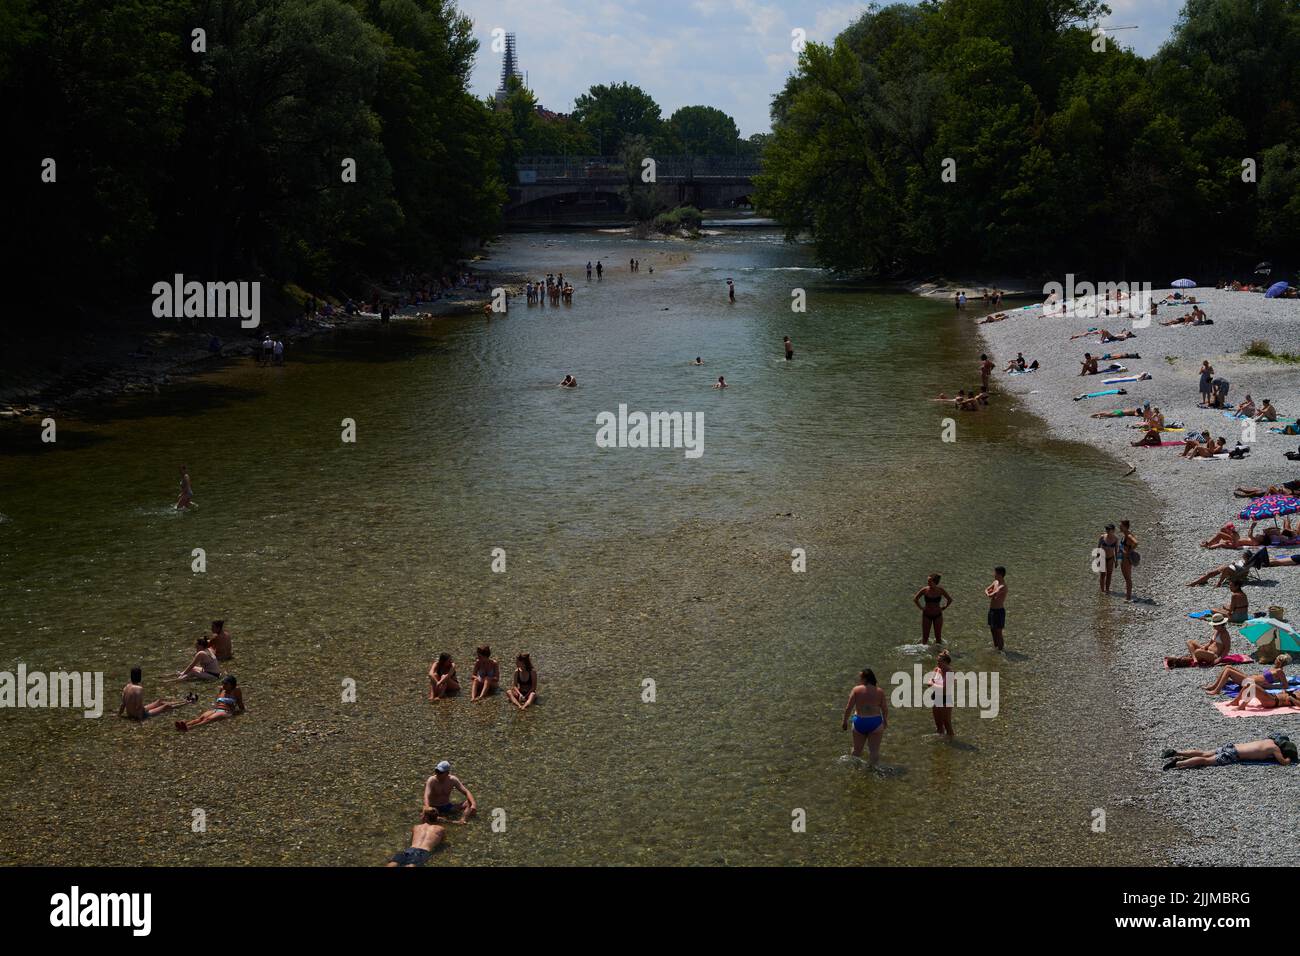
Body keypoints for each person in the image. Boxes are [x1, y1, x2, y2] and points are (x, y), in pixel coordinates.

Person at [841, 669, 887, 766]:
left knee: (856, 750)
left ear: (865, 679)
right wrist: (885, 721)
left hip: (860, 721)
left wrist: (844, 721)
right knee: (874, 752)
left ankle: (854, 771)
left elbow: (848, 707)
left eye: (860, 677)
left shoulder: (856, 690)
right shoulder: (880, 691)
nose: (859, 679)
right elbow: (885, 709)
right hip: (875, 722)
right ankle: (872, 771)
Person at [1162, 737, 1296, 770]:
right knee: (1206, 761)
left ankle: (1176, 752)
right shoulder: (1274, 749)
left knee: (1204, 753)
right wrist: (1289, 758)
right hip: (1234, 754)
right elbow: (1284, 763)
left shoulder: (1269, 740)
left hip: (1232, 746)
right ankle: (1178, 763)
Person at [118, 667, 192, 721]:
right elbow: (138, 706)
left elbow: (123, 705)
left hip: (132, 713)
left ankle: (184, 700)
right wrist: (141, 720)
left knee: (159, 701)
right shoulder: (139, 689)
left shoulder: (126, 687)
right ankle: (188, 702)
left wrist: (119, 715)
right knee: (166, 706)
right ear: (140, 677)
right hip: (139, 715)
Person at [175, 675, 244, 731]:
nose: (223, 685)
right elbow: (218, 702)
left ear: (232, 685)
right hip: (216, 709)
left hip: (226, 711)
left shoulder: (236, 690)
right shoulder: (222, 690)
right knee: (200, 718)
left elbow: (240, 704)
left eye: (226, 683)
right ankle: (185, 725)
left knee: (208, 719)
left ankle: (189, 728)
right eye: (223, 683)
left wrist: (241, 713)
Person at [1204, 654, 1290, 695]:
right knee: (1228, 667)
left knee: (1228, 671)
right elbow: (1275, 680)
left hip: (1251, 682)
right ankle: (1214, 686)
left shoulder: (1279, 671)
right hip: (1250, 678)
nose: (1275, 659)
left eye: (1278, 659)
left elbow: (1285, 685)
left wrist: (1269, 686)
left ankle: (1217, 690)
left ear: (1281, 662)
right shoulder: (1274, 668)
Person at [912, 573, 952, 644]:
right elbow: (915, 599)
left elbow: (949, 600)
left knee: (938, 637)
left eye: (929, 581)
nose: (928, 583)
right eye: (928, 581)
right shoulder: (925, 590)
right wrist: (921, 608)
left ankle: (938, 653)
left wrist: (944, 607)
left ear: (935, 582)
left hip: (938, 615)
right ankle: (924, 653)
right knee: (925, 638)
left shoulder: (940, 590)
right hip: (927, 615)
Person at [930, 650, 955, 739]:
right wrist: (934, 685)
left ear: (945, 662)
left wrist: (933, 685)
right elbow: (930, 681)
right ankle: (942, 743)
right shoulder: (937, 669)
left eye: (939, 661)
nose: (937, 663)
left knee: (947, 724)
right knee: (938, 724)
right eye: (937, 661)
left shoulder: (950, 673)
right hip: (936, 698)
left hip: (945, 699)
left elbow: (944, 690)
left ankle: (951, 741)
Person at [985, 567, 1008, 650]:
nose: (994, 574)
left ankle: (1001, 650)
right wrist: (988, 593)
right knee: (992, 630)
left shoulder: (1002, 586)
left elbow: (991, 594)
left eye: (995, 573)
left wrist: (989, 593)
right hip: (992, 610)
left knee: (998, 632)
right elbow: (987, 589)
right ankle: (996, 648)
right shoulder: (995, 582)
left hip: (999, 611)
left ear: (1000, 574)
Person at [1118, 519, 1139, 600]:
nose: (1119, 527)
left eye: (1121, 525)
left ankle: (1128, 597)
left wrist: (1130, 551)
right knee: (1127, 578)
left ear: (1125, 527)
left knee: (1127, 578)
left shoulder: (1128, 536)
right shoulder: (1126, 535)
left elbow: (1136, 542)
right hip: (1124, 558)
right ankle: (1128, 596)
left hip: (1126, 559)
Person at [1098, 524, 1119, 593]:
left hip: (1111, 558)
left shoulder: (1115, 539)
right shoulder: (1102, 537)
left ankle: (1107, 589)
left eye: (1108, 529)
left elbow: (1116, 551)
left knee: (1109, 575)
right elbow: (1098, 548)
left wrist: (1116, 561)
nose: (1107, 530)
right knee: (1103, 574)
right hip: (1102, 558)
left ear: (1113, 530)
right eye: (1106, 529)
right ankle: (1102, 590)